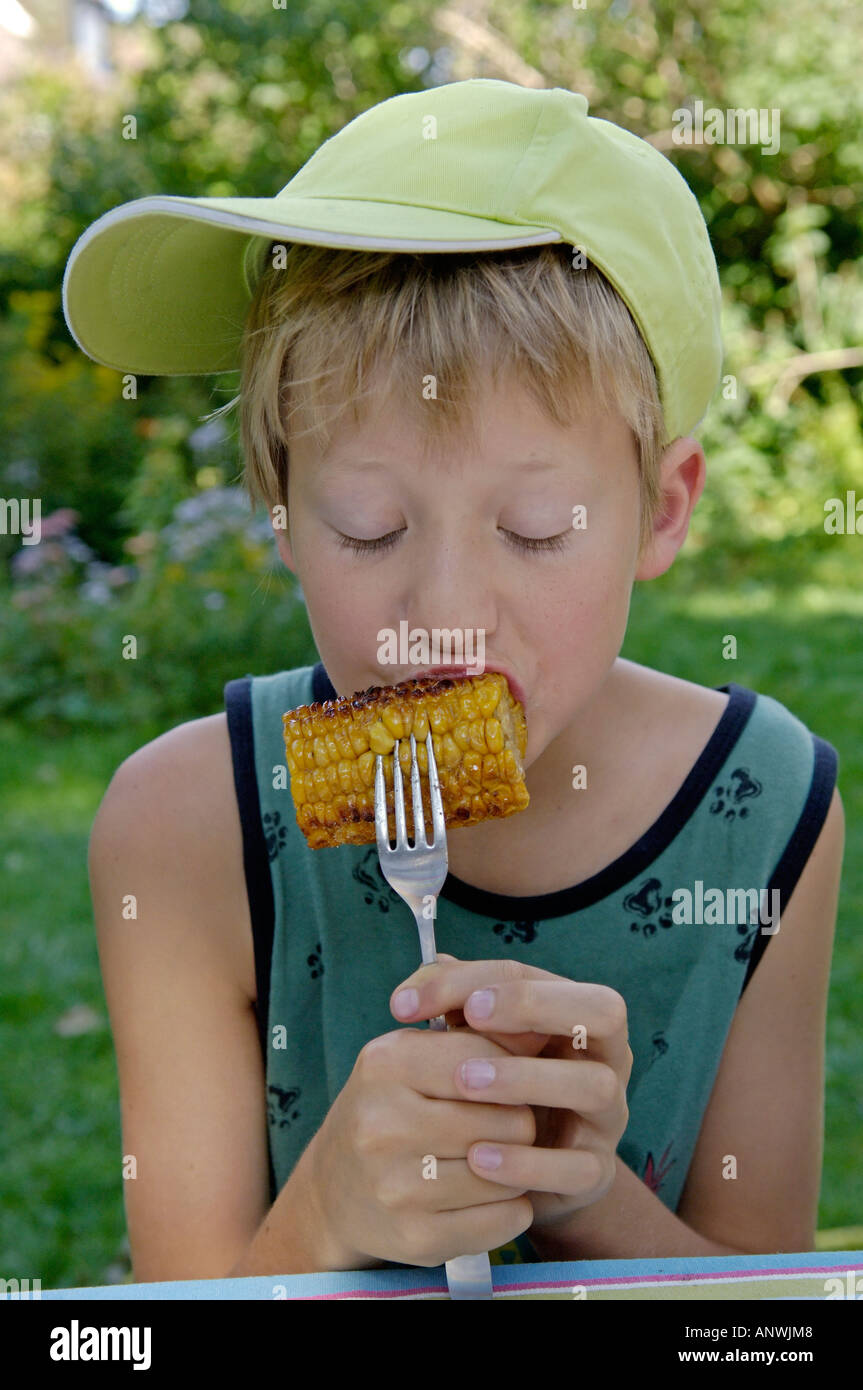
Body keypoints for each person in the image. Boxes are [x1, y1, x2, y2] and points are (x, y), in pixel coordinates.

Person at [65, 79, 844, 1283]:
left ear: (661, 511)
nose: (443, 621)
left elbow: (758, 1318)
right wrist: (324, 1212)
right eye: (369, 527)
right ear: (279, 508)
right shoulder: (183, 829)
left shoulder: (768, 807)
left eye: (535, 528)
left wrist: (579, 1192)